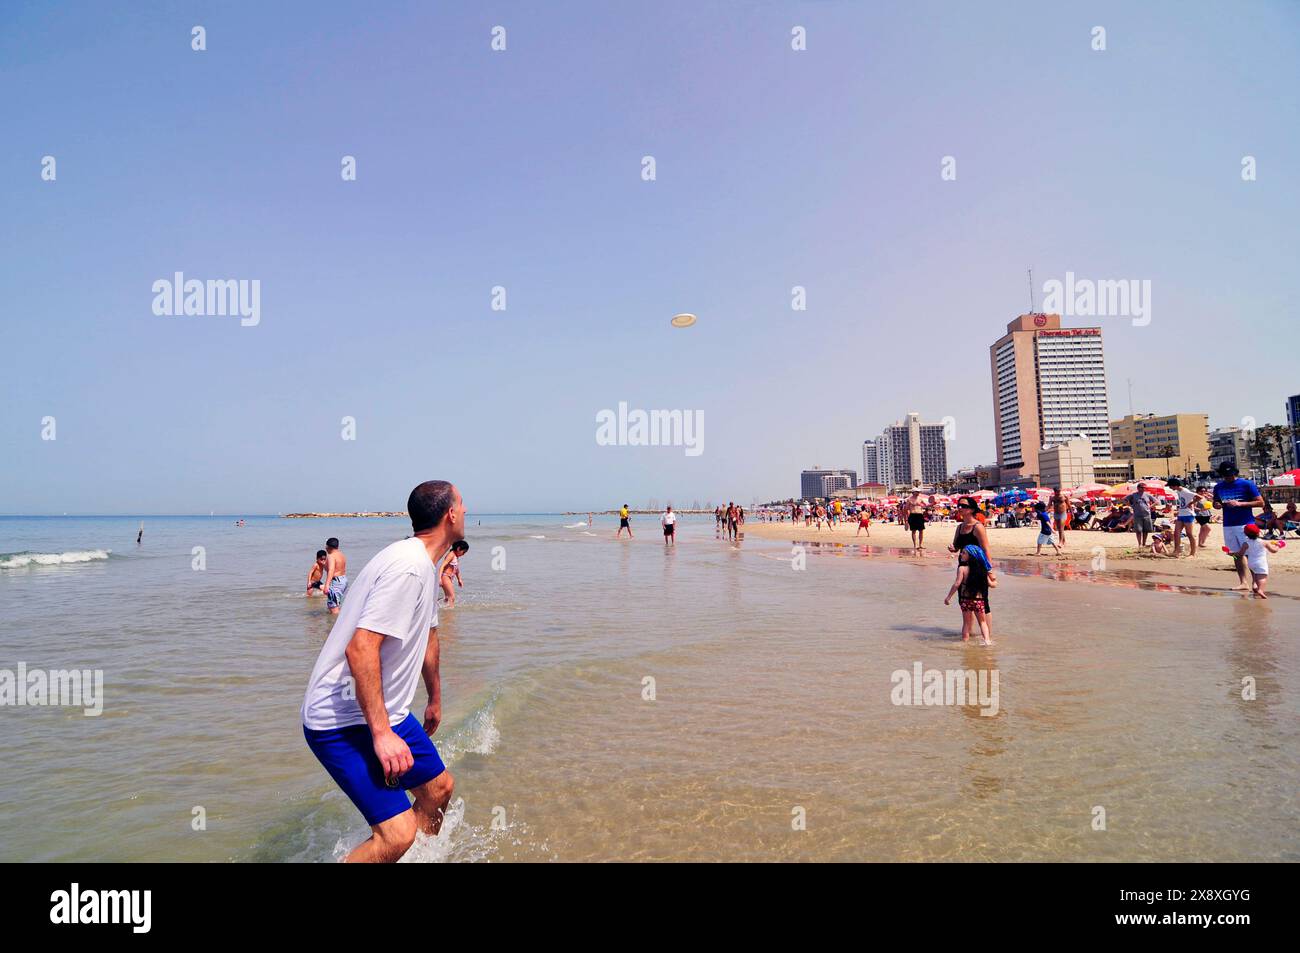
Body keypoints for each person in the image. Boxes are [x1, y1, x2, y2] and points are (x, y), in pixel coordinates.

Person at [301, 480, 464, 863]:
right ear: (450, 514)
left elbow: (429, 637)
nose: (466, 510)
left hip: (384, 710)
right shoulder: (407, 568)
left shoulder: (424, 566)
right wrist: (381, 735)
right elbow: (360, 649)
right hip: (339, 718)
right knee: (397, 833)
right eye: (463, 504)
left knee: (439, 790)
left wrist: (435, 699)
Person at [1212, 462, 1264, 591]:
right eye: (1225, 475)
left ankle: (1255, 582)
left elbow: (1260, 502)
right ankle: (1243, 582)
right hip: (1229, 525)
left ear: (1235, 473)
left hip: (1245, 524)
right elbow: (1215, 502)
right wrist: (1216, 505)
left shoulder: (1247, 484)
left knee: (1249, 553)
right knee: (1235, 554)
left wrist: (1240, 504)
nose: (1229, 477)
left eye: (1230, 475)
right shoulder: (1218, 487)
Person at [944, 545, 993, 645]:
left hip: (965, 600)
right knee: (983, 623)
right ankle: (987, 641)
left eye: (964, 553)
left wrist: (948, 597)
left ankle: (965, 643)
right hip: (978, 600)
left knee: (966, 623)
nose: (961, 554)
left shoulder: (962, 568)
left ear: (971, 555)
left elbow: (957, 584)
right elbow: (992, 584)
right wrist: (995, 581)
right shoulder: (982, 570)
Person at [1230, 523, 1283, 599]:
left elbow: (1240, 554)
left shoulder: (1246, 543)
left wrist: (1232, 554)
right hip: (1260, 563)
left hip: (1251, 563)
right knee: (1262, 577)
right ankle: (1260, 590)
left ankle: (1255, 587)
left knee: (1256, 575)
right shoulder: (1264, 542)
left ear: (1246, 534)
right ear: (1258, 533)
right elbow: (1274, 551)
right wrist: (1278, 546)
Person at [1168, 478, 1198, 556]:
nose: (1170, 488)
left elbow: (1199, 497)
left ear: (1175, 485)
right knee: (1176, 533)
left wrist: (1192, 502)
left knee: (1189, 534)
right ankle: (1177, 551)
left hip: (1188, 514)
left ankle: (1192, 553)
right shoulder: (1178, 491)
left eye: (1171, 486)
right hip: (1181, 514)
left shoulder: (1185, 491)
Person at [1125, 484, 1156, 549]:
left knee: (1146, 530)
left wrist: (1150, 506)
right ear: (1138, 488)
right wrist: (1131, 505)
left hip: (1147, 514)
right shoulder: (1133, 495)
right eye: (1142, 487)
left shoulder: (1147, 495)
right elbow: (1125, 499)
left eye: (1144, 488)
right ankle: (1140, 544)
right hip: (1137, 515)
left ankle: (1144, 543)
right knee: (1138, 530)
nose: (1143, 489)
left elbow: (1156, 501)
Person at [323, 537, 348, 615]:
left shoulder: (331, 556)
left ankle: (336, 625)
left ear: (328, 547)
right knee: (335, 605)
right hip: (343, 580)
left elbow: (331, 570)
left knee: (333, 608)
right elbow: (336, 568)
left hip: (336, 582)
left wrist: (326, 585)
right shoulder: (341, 555)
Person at [439, 540, 468, 607]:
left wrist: (459, 579)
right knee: (452, 597)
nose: (464, 554)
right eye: (464, 552)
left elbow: (456, 569)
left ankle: (434, 603)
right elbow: (442, 566)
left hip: (449, 577)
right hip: (445, 576)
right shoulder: (451, 555)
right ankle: (450, 612)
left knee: (447, 598)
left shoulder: (456, 556)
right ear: (458, 548)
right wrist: (439, 578)